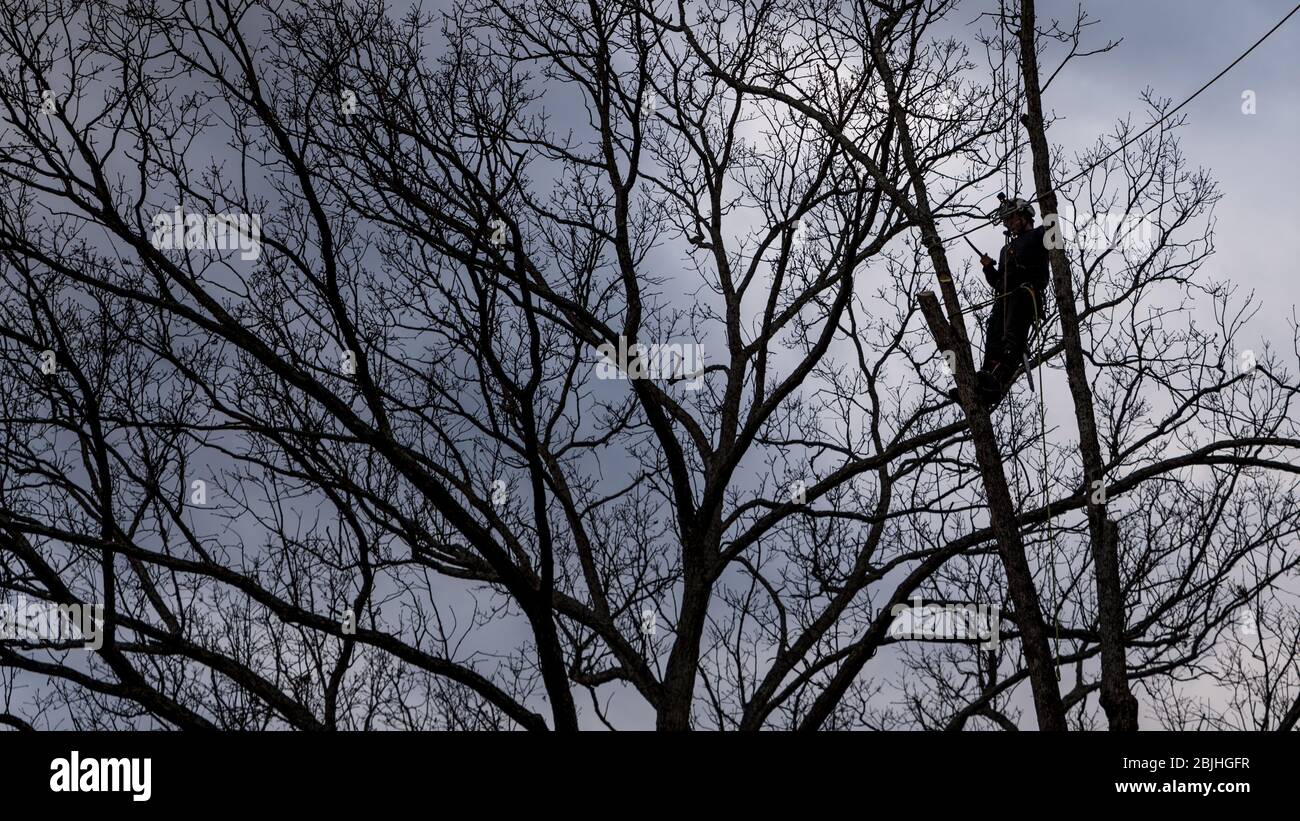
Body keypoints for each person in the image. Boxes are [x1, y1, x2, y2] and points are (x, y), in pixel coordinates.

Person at [949, 194, 1050, 409]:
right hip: (1005, 297)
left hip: (1025, 294)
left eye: (1012, 218)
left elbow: (1056, 234)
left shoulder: (1039, 235)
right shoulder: (1006, 250)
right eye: (1007, 221)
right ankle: (985, 379)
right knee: (993, 333)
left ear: (1025, 216)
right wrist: (988, 268)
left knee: (1012, 336)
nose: (1010, 225)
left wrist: (1049, 205)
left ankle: (999, 378)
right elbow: (999, 283)